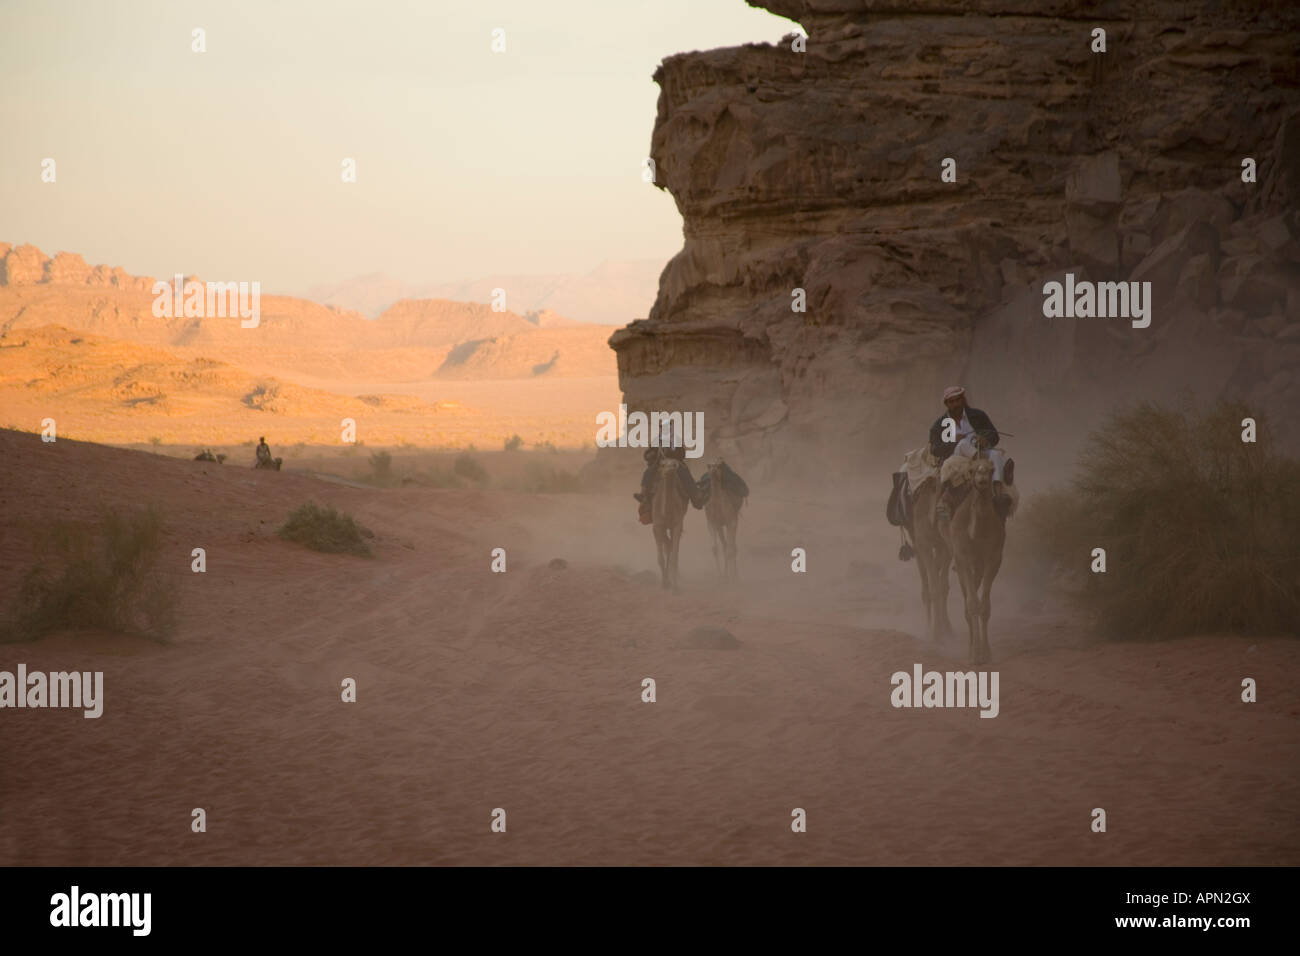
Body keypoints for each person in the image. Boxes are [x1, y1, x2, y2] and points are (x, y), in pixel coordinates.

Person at [928, 386, 1013, 517]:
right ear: (947, 404)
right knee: (962, 444)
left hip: (981, 450)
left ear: (963, 400)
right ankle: (979, 463)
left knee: (996, 454)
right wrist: (953, 442)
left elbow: (994, 436)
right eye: (952, 402)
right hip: (956, 458)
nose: (955, 404)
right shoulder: (941, 424)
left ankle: (998, 493)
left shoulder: (977, 415)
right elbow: (934, 449)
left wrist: (985, 439)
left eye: (958, 400)